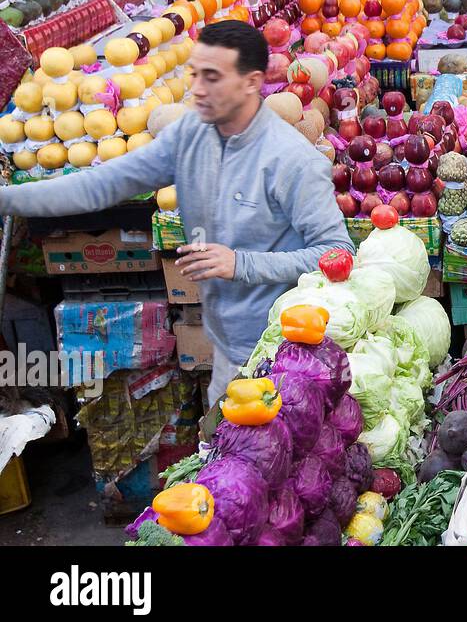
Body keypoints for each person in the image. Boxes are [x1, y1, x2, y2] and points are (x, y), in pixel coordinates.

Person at [0, 21, 351, 405]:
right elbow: (100, 185)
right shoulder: (189, 137)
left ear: (251, 83)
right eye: (196, 75)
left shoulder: (292, 161)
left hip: (287, 361)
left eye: (213, 78)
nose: (198, 89)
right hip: (228, 355)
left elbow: (336, 253)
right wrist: (7, 199)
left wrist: (240, 263)